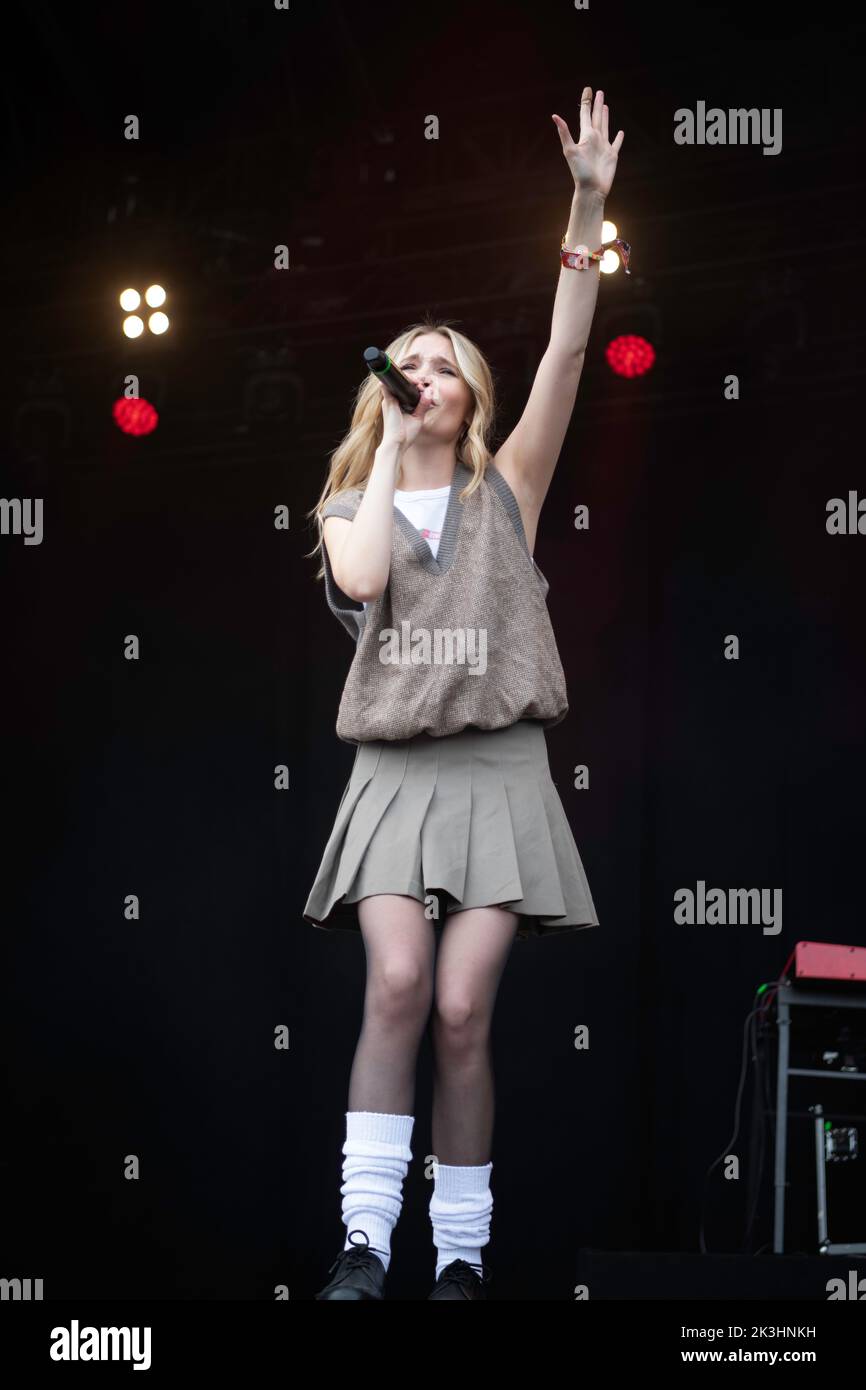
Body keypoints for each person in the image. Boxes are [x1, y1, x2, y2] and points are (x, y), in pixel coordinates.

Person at [303, 87, 625, 1300]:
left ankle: (460, 1252)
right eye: (410, 365)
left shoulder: (512, 491)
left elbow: (568, 348)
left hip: (496, 768)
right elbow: (370, 574)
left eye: (444, 367)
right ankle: (364, 1239)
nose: (426, 375)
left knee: (457, 1010)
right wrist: (385, 447)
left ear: (473, 394)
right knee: (392, 982)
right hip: (393, 772)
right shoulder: (350, 501)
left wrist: (586, 205)